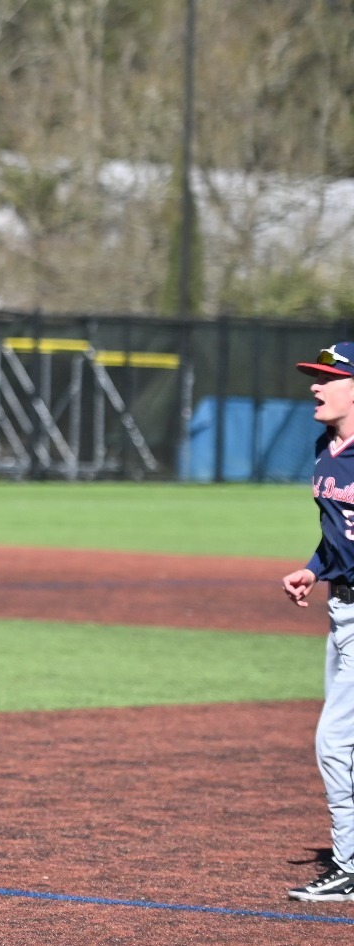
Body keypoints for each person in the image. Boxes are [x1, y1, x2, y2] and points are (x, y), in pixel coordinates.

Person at [285, 341, 354, 901]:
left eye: (328, 376)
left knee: (333, 740)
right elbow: (337, 533)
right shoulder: (325, 448)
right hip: (340, 609)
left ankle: (350, 865)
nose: (315, 384)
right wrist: (313, 569)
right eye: (315, 375)